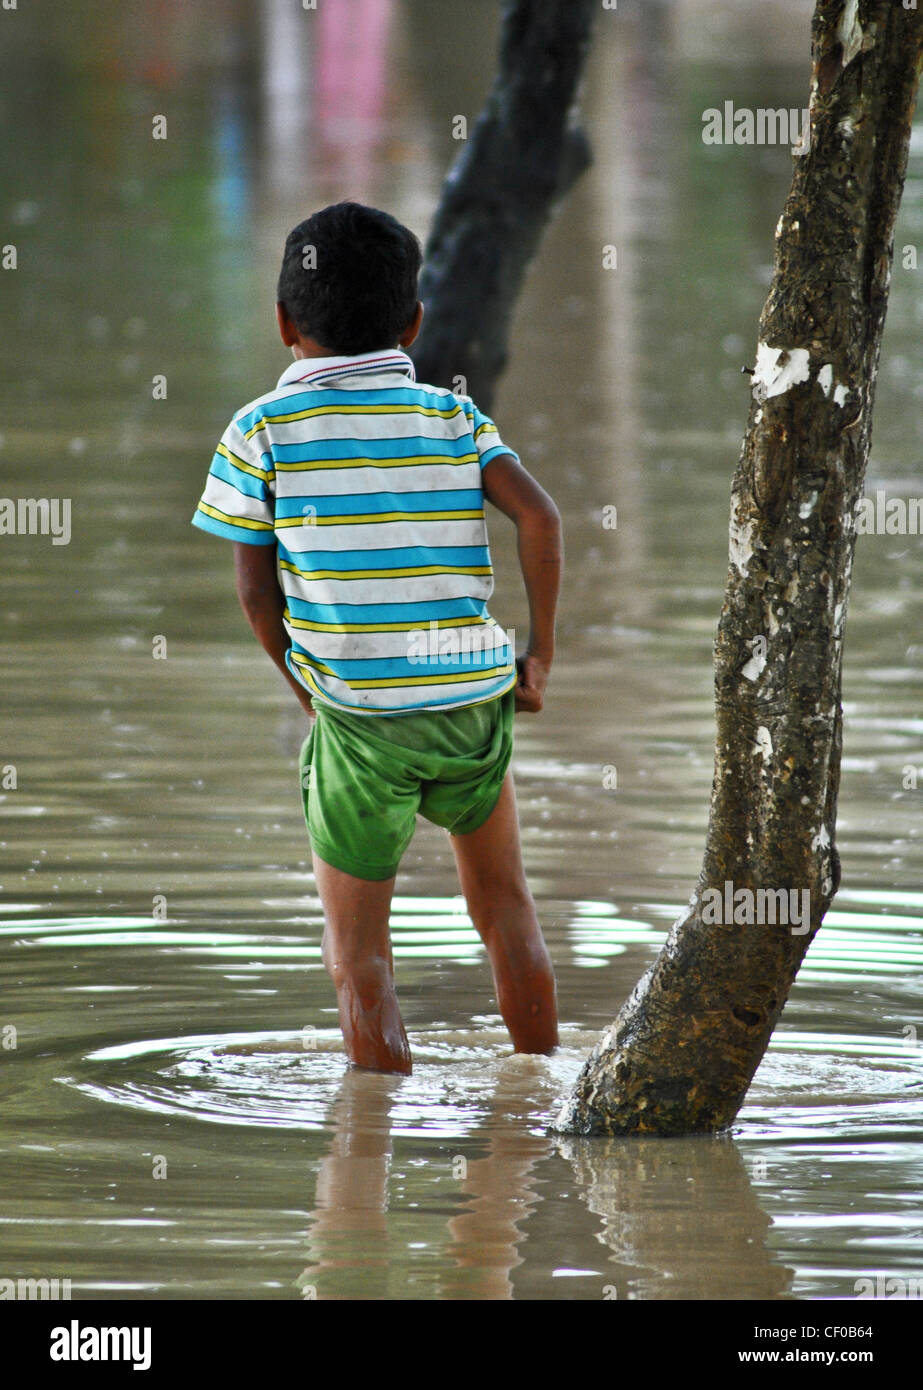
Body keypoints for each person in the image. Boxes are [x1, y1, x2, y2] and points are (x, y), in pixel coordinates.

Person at [192, 201, 561, 1074]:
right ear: (414, 320)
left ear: (283, 322)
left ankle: (367, 1152)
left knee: (359, 954)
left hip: (358, 719)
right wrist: (537, 650)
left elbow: (254, 591)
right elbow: (539, 518)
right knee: (506, 910)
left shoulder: (262, 433)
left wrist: (308, 688)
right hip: (472, 705)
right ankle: (546, 1090)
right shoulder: (455, 419)